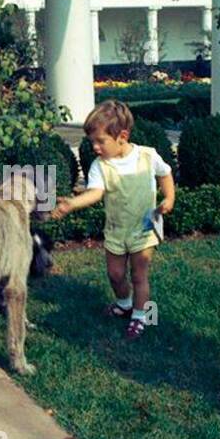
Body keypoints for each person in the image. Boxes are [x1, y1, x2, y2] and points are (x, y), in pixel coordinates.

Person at [53, 100, 174, 341]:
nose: (95, 147)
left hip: (144, 229)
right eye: (92, 142)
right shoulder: (100, 165)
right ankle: (124, 303)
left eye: (100, 141)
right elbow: (95, 192)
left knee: (139, 275)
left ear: (122, 136)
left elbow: (165, 172)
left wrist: (169, 197)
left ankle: (142, 317)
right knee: (116, 274)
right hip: (116, 231)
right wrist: (71, 204)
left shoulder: (147, 156)